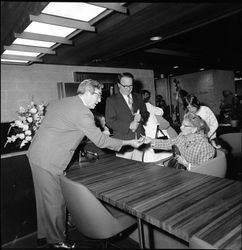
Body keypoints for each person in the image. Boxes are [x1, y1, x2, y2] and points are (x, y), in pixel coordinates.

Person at [27, 79, 144, 248]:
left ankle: (43, 235)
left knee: (43, 198)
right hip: (49, 159)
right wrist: (129, 143)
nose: (99, 100)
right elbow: (101, 141)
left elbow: (61, 128)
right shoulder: (83, 113)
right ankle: (57, 241)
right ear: (88, 92)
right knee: (55, 201)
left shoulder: (62, 102)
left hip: (36, 154)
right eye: (97, 96)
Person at [143, 112, 215, 170]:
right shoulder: (182, 136)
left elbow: (204, 170)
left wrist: (186, 164)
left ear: (194, 129)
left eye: (185, 126)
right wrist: (151, 141)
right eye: (182, 124)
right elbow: (169, 143)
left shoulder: (205, 147)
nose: (180, 127)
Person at [105, 72, 149, 161]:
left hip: (140, 139)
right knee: (124, 170)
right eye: (125, 86)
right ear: (119, 85)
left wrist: (141, 118)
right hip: (123, 141)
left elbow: (145, 113)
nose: (128, 89)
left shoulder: (138, 97)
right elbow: (109, 121)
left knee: (139, 169)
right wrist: (128, 125)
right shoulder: (112, 100)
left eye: (131, 86)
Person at [141, 89, 173, 162]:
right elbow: (160, 112)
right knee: (159, 155)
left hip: (146, 134)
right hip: (152, 132)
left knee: (150, 156)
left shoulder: (134, 106)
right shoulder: (147, 104)